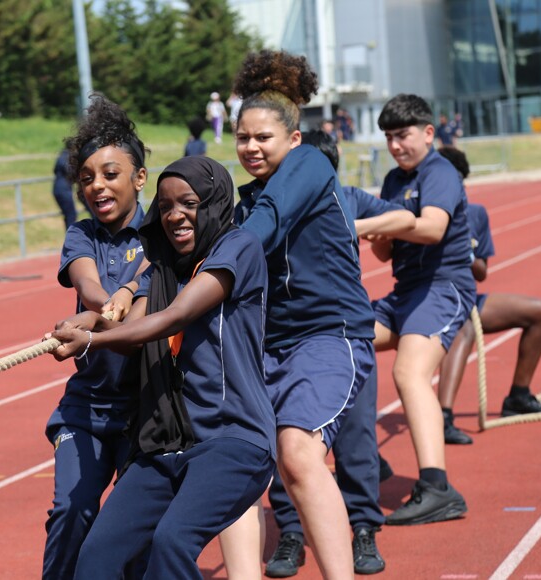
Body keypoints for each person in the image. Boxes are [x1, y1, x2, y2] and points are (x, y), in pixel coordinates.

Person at [49, 155, 276, 579]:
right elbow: (133, 334)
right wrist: (94, 321)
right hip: (167, 440)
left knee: (172, 541)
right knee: (97, 555)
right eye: (166, 206)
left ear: (213, 203)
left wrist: (94, 339)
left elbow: (176, 315)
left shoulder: (239, 247)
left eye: (188, 203)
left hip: (232, 438)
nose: (174, 216)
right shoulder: (160, 269)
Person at [232, 50, 376, 579]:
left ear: (293, 138)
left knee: (296, 453)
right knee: (236, 461)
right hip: (266, 348)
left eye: (262, 137)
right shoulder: (245, 200)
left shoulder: (311, 163)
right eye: (242, 138)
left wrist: (221, 259)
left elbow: (269, 220)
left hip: (328, 337)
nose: (251, 147)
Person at [262, 129, 415, 578]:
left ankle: (363, 527)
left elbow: (405, 218)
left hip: (344, 334)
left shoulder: (346, 197)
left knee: (358, 438)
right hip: (287, 340)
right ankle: (291, 532)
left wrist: (357, 226)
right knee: (288, 445)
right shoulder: (270, 204)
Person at [42, 94, 150, 580]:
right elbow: (87, 286)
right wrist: (104, 311)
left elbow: (145, 301)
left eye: (110, 174)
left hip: (147, 411)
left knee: (135, 533)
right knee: (72, 510)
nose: (97, 186)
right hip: (87, 408)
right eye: (86, 178)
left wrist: (104, 318)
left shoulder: (164, 233)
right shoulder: (81, 235)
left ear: (139, 178)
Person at [370, 94, 476, 526]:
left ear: (428, 133)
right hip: (404, 294)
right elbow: (382, 254)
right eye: (389, 138)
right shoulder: (393, 180)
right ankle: (364, 458)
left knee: (409, 373)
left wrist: (366, 224)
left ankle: (437, 488)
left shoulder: (440, 172)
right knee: (340, 340)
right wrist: (379, 231)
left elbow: (432, 229)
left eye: (403, 135)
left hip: (442, 289)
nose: (395, 145)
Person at [434, 146, 541, 446]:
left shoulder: (475, 214)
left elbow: (481, 272)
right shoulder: (425, 212)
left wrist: (465, 249)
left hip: (466, 298)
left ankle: (518, 396)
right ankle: (443, 417)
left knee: (540, 312)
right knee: (463, 325)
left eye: (459, 182)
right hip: (432, 299)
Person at [53, 148, 80, 229]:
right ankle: (71, 234)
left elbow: (54, 170)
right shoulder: (66, 157)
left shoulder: (62, 155)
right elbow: (69, 170)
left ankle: (69, 231)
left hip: (59, 188)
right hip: (64, 190)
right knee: (71, 215)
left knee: (69, 214)